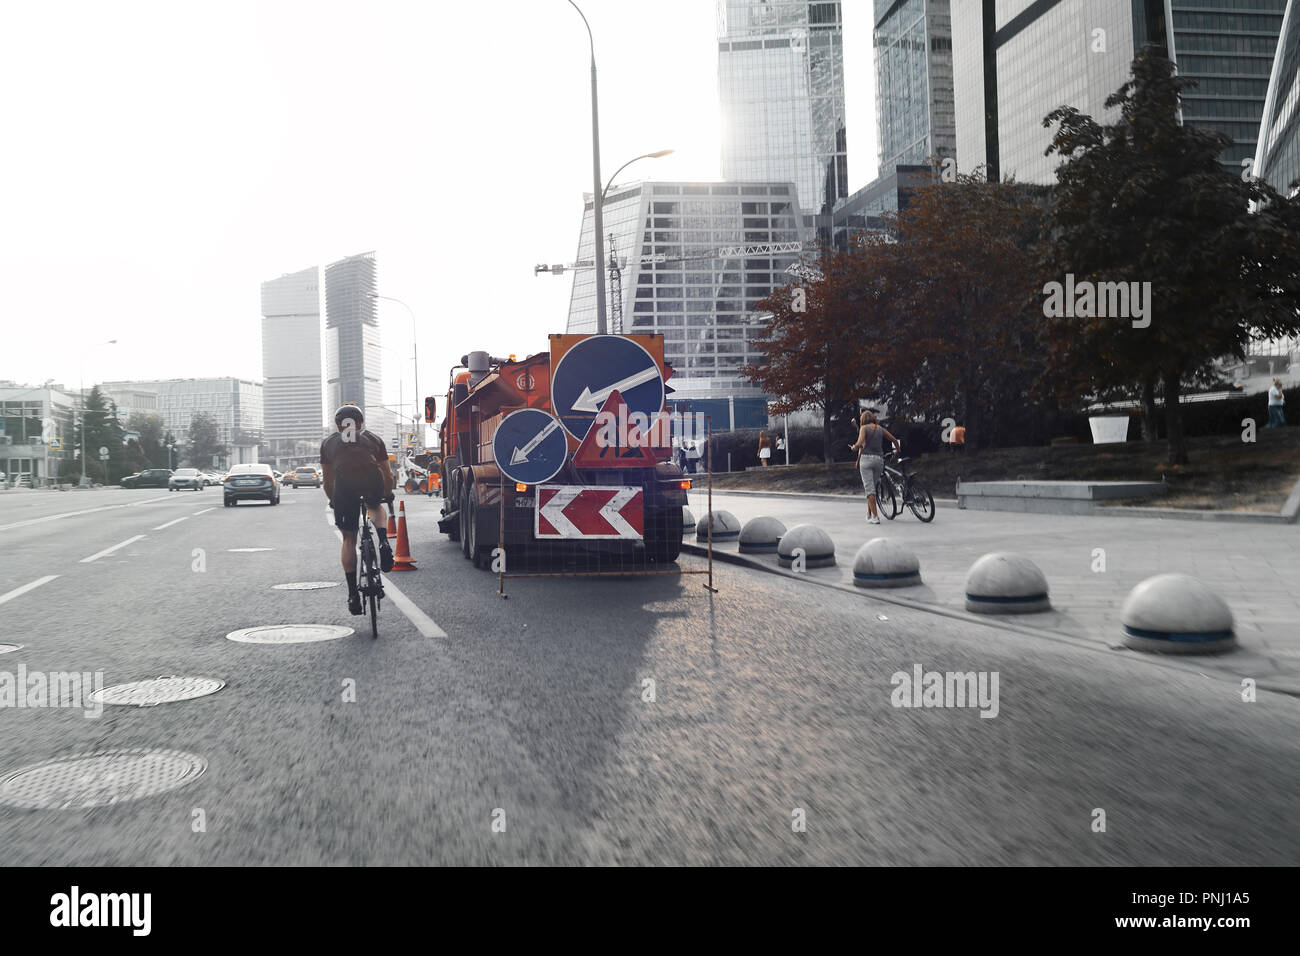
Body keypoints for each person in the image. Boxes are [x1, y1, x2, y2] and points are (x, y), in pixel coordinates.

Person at [321, 404, 397, 615]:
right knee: (375, 506)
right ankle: (383, 540)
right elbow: (388, 474)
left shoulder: (328, 444)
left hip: (344, 487)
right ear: (361, 423)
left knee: (349, 539)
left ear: (338, 425)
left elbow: (327, 481)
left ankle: (353, 594)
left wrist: (333, 500)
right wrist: (387, 493)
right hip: (371, 480)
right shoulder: (373, 439)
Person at [850, 409, 900, 524]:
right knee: (872, 488)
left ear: (863, 419)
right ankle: (869, 514)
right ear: (872, 418)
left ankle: (875, 517)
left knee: (870, 490)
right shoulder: (880, 429)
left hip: (866, 460)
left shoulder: (863, 428)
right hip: (879, 461)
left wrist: (854, 447)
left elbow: (859, 444)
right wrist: (897, 449)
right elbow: (893, 439)